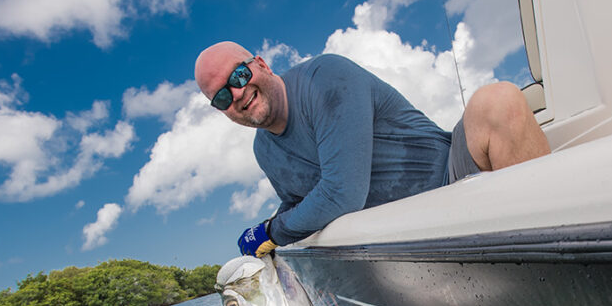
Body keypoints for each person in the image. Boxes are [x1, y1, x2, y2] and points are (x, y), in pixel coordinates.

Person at [194, 41, 550, 258]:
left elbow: (341, 194)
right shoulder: (263, 151)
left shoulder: (326, 77)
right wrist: (273, 239)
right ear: (221, 110)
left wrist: (271, 232)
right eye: (222, 96)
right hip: (398, 239)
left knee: (498, 100)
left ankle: (553, 248)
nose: (237, 94)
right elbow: (295, 206)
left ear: (261, 64)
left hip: (453, 178)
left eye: (238, 76)